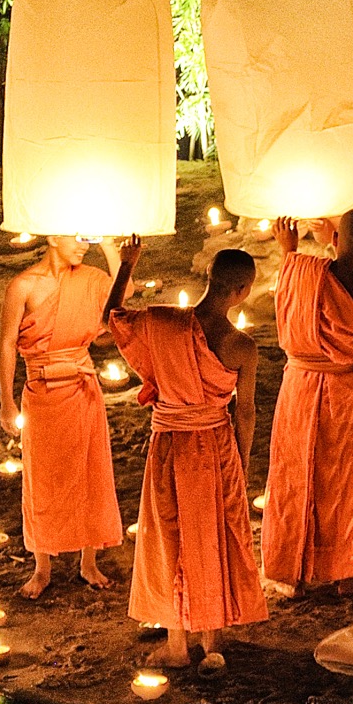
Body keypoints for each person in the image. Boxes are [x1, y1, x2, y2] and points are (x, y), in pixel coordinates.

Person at [108, 237, 266, 672]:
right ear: (242, 292)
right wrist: (243, 460)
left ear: (209, 279)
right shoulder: (241, 346)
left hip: (170, 445)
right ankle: (212, 640)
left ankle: (178, 644)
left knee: (171, 536)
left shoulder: (161, 322)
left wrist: (127, 264)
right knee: (214, 534)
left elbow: (113, 319)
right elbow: (246, 412)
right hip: (216, 446)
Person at [260, 212, 353, 594]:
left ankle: (292, 572)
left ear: (334, 239)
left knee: (294, 478)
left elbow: (290, 278)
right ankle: (344, 572)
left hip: (297, 390)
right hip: (345, 397)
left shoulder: (299, 274)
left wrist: (289, 248)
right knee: (343, 485)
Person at [0, 235, 124, 599]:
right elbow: (7, 343)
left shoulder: (92, 277)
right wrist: (7, 400)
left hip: (83, 389)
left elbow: (121, 299)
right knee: (44, 479)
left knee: (90, 472)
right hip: (42, 390)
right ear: (52, 236)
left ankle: (89, 562)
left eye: (89, 236)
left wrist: (112, 250)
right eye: (77, 235)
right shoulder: (23, 285)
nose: (84, 244)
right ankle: (42, 567)